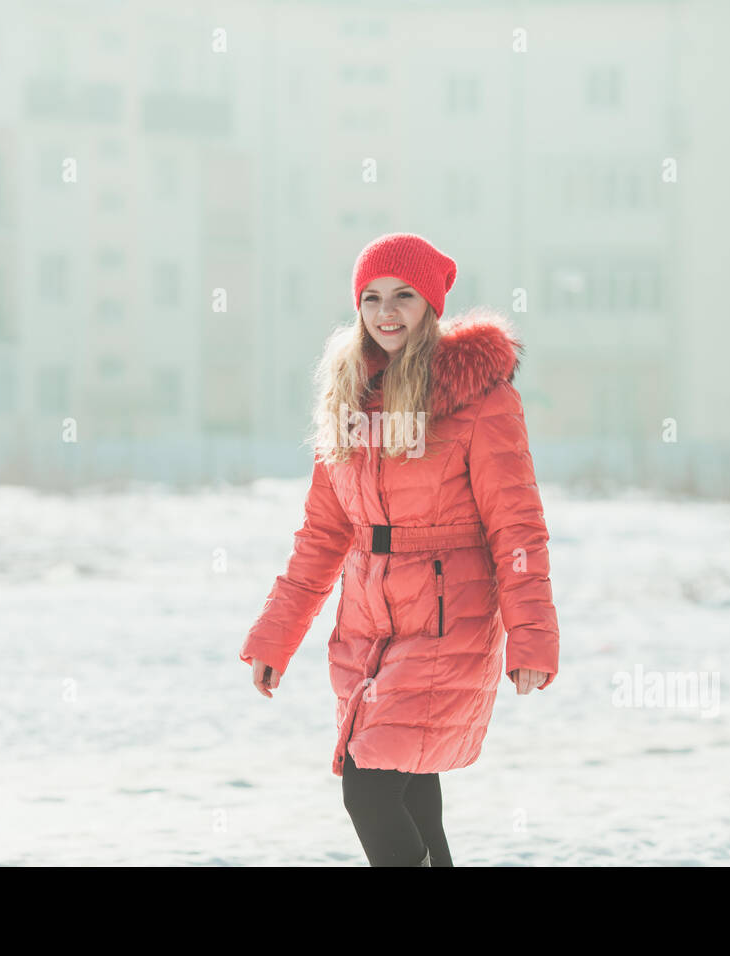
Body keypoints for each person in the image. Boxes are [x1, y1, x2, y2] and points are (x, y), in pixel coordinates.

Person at [240, 232, 560, 866]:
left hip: (450, 620)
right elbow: (323, 536)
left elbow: (517, 528)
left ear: (431, 305)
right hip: (369, 624)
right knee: (408, 790)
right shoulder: (348, 398)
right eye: (372, 297)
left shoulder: (479, 400)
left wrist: (531, 636)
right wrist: (275, 636)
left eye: (403, 296)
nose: (386, 312)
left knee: (371, 784)